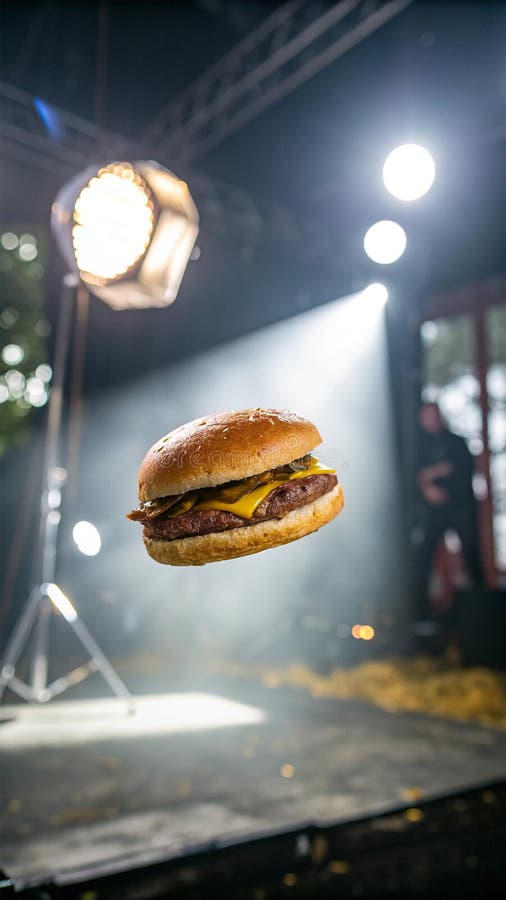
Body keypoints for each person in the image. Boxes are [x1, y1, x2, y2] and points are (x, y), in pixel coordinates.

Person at [414, 402, 483, 621]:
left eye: (434, 415)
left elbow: (463, 467)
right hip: (436, 512)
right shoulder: (418, 447)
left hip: (461, 509)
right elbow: (414, 476)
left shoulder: (456, 442)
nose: (431, 420)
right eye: (427, 416)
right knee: (424, 556)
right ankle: (422, 613)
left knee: (471, 554)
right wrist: (426, 486)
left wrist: (431, 474)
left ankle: (481, 608)